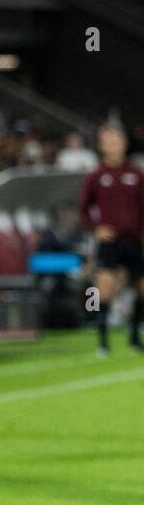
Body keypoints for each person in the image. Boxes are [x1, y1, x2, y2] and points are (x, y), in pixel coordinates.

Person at [79, 124, 144, 355]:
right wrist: (96, 228)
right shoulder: (97, 175)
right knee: (103, 290)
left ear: (124, 144)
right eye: (109, 141)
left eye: (117, 141)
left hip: (134, 240)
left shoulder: (136, 174)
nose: (113, 146)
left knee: (141, 289)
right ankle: (103, 341)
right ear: (102, 146)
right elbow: (83, 209)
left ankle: (135, 336)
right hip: (110, 242)